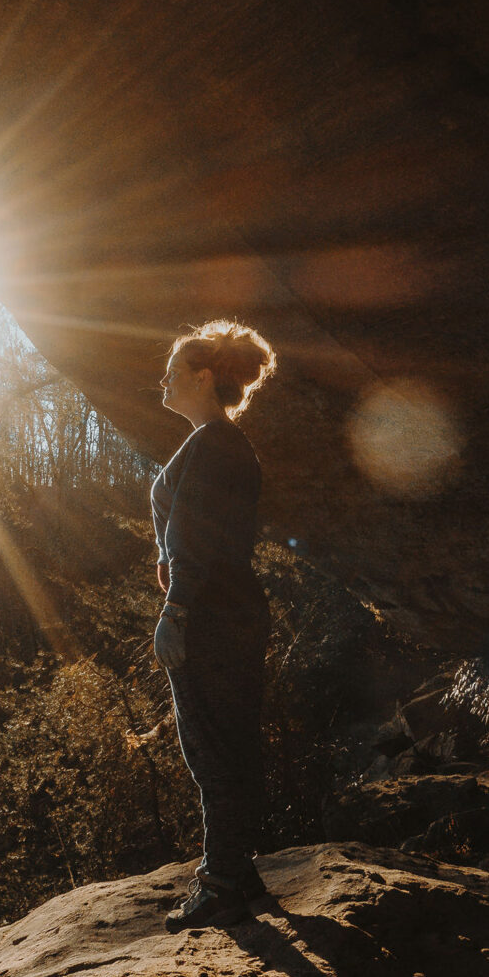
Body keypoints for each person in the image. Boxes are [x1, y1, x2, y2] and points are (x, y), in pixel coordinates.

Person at [150, 318, 277, 930]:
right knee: (232, 740)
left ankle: (223, 881)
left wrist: (175, 611)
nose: (163, 384)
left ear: (203, 378)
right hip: (233, 613)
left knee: (209, 745)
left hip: (209, 618)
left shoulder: (211, 445)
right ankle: (240, 871)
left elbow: (191, 537)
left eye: (173, 374)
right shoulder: (224, 444)